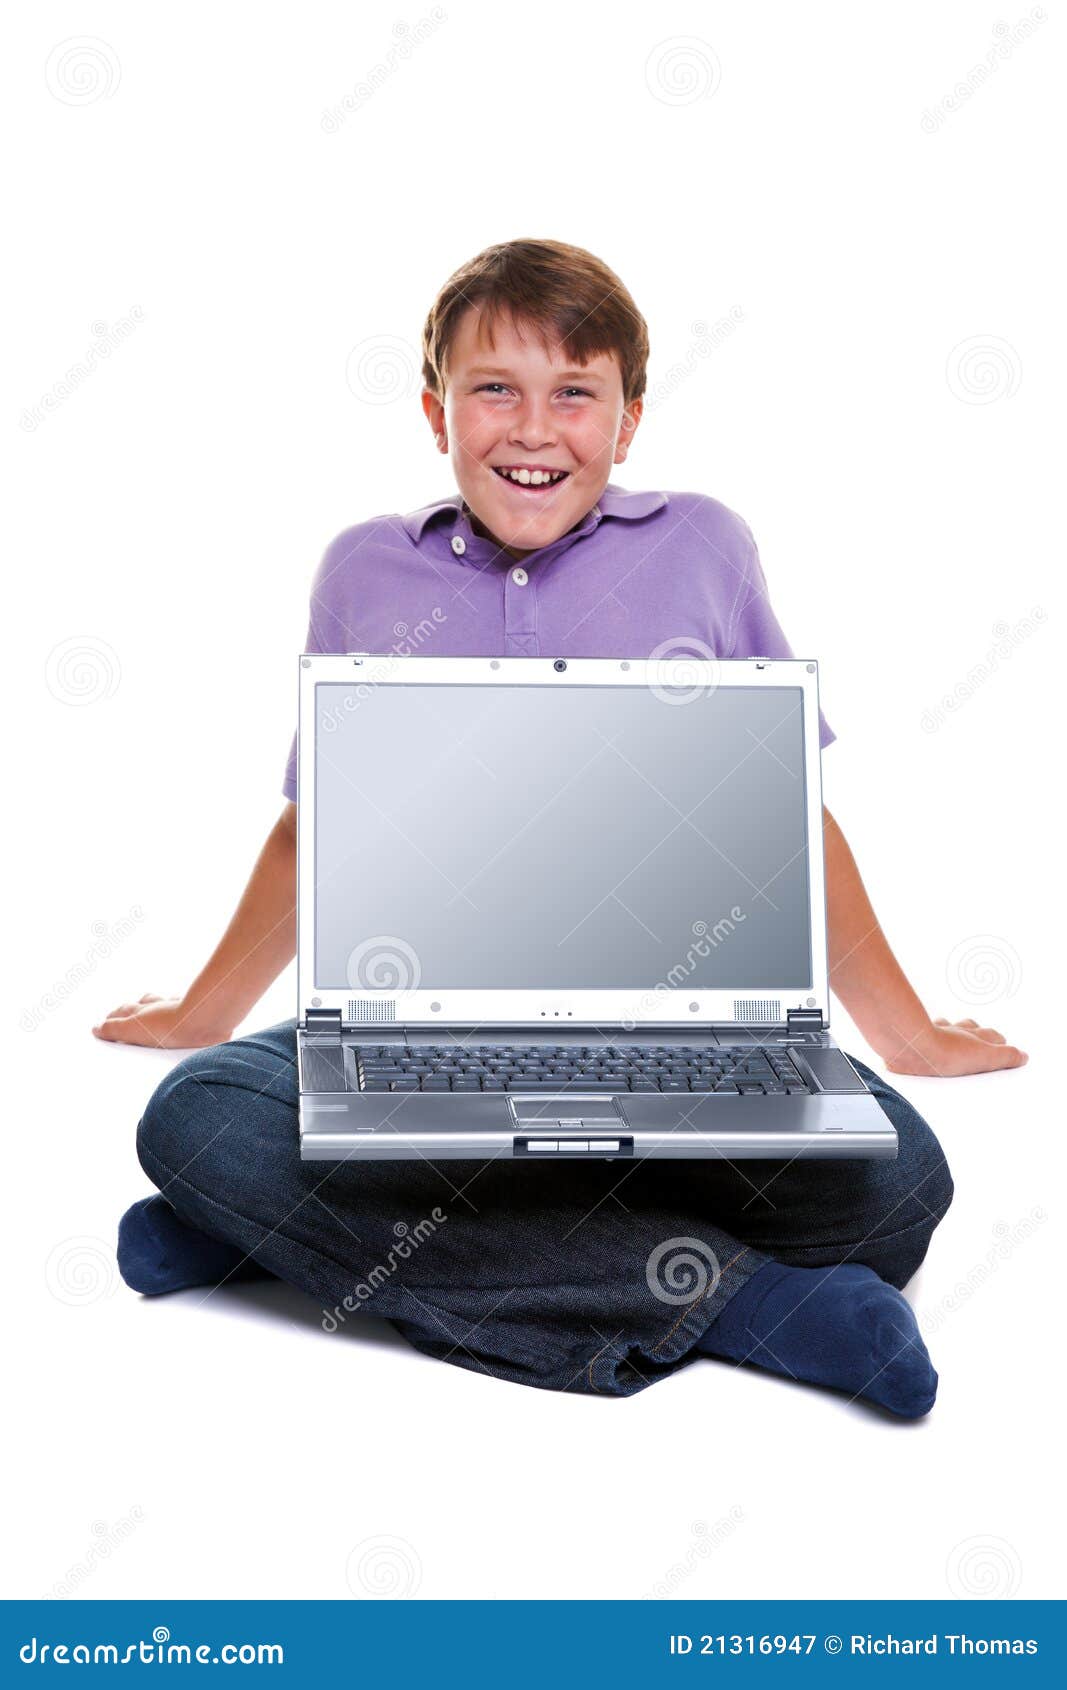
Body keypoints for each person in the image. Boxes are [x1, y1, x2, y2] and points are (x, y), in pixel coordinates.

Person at [94, 240, 1026, 1415]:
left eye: (573, 393)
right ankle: (749, 1305)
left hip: (684, 1031)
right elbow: (314, 827)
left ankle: (291, 1244)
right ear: (436, 409)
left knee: (897, 1193)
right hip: (416, 1030)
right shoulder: (364, 573)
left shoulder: (703, 547)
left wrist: (904, 1036)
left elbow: (789, 813)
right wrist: (201, 1013)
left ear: (626, 421)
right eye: (494, 390)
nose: (532, 430)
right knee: (197, 1121)